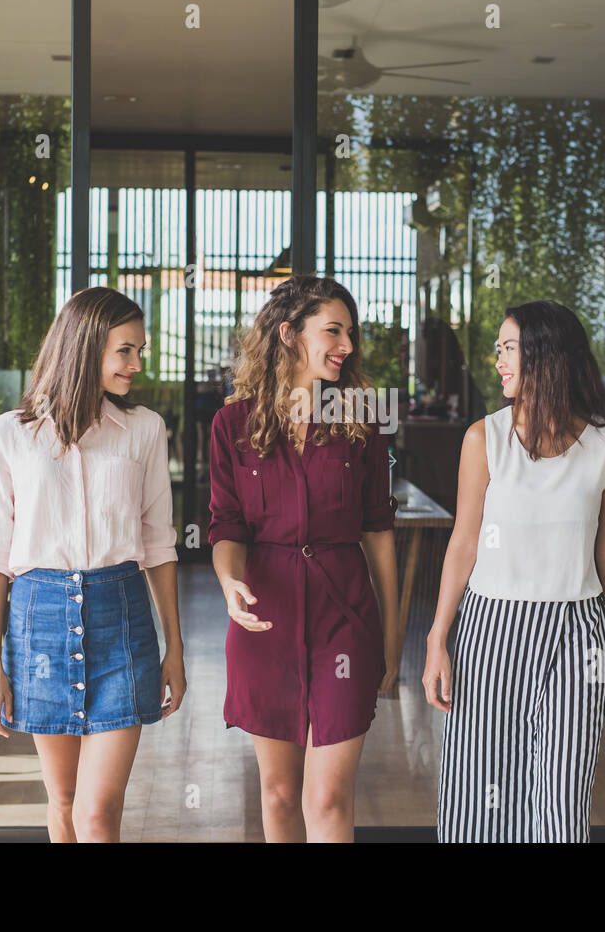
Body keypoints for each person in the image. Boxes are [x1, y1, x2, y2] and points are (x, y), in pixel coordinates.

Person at [0, 286, 186, 843]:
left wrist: (175, 649)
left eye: (140, 350)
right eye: (125, 350)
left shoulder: (145, 430)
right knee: (64, 803)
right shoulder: (8, 435)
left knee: (97, 812)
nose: (137, 364)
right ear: (87, 346)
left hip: (123, 620)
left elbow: (160, 545)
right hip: (37, 620)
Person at [423, 299, 605, 842]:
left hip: (579, 631)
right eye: (499, 349)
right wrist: (437, 638)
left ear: (546, 355)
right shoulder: (483, 438)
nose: (498, 360)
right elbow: (463, 544)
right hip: (491, 628)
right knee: (481, 793)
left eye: (509, 348)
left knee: (563, 799)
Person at [208, 274, 400, 842]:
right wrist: (228, 582)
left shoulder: (361, 420)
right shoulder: (232, 424)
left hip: (345, 617)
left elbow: (378, 530)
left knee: (328, 796)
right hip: (265, 618)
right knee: (280, 793)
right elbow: (225, 525)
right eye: (332, 330)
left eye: (351, 333)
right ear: (289, 334)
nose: (347, 345)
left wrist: (390, 633)